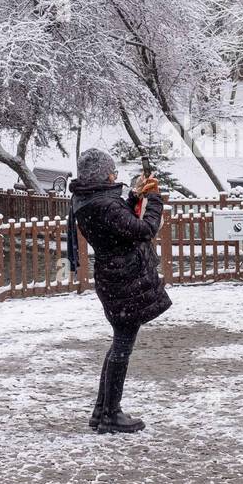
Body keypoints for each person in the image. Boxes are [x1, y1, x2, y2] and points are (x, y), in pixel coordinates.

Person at [66, 148, 170, 434]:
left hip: (113, 277)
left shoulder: (89, 199)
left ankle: (102, 410)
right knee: (122, 346)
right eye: (111, 171)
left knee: (119, 344)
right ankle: (111, 413)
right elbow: (144, 229)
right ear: (101, 175)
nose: (114, 175)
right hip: (123, 279)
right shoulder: (103, 205)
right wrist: (155, 199)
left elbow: (119, 221)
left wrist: (135, 196)